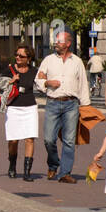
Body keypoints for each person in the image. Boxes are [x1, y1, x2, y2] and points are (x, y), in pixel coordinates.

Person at [36, 31, 91, 183]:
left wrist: (85, 106)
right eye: (55, 41)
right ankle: (53, 164)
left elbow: (83, 85)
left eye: (59, 41)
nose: (56, 43)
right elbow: (38, 79)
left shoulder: (77, 61)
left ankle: (65, 173)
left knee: (69, 140)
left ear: (68, 43)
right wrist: (48, 83)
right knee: (48, 139)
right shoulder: (48, 60)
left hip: (71, 104)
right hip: (53, 102)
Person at [4, 44, 39, 181]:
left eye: (21, 56)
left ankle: (27, 172)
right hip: (13, 107)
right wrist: (11, 82)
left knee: (30, 139)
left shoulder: (34, 71)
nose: (18, 57)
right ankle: (12, 165)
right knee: (13, 140)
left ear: (29, 58)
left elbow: (42, 84)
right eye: (16, 55)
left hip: (30, 107)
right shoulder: (9, 70)